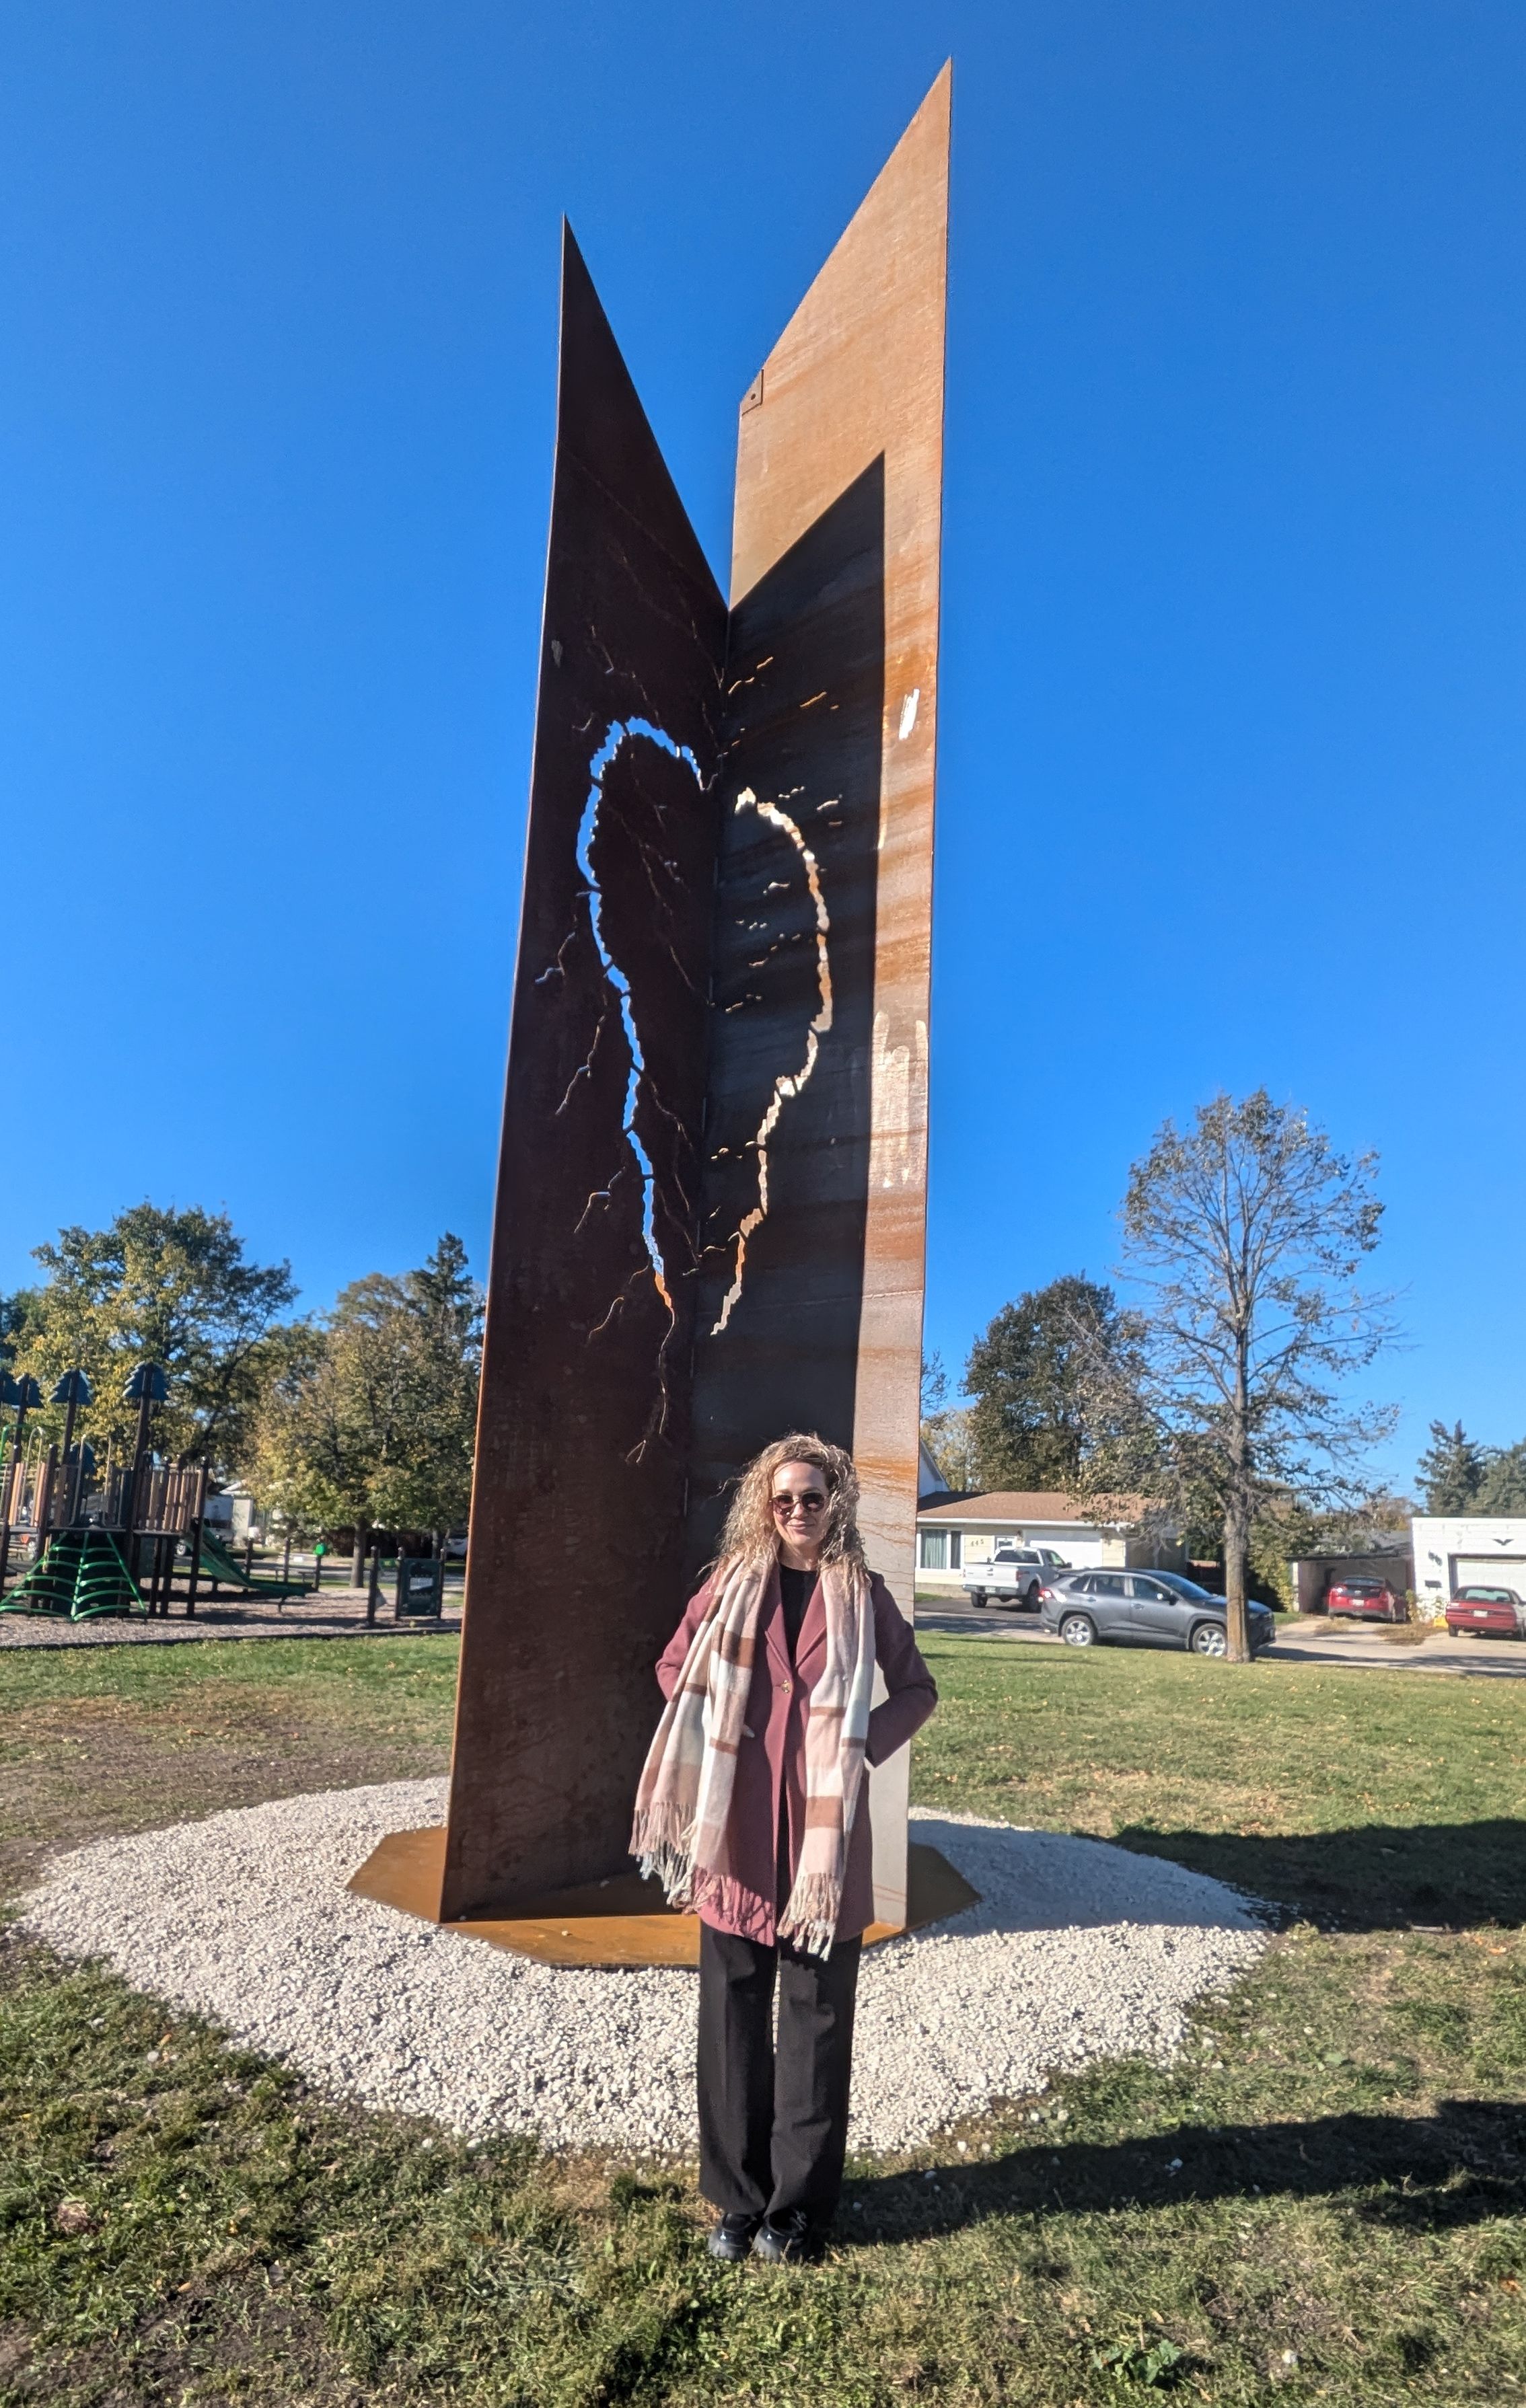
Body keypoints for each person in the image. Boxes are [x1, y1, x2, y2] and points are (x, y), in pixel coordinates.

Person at [631, 1432, 937, 2265]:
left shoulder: (863, 1595)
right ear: (763, 1507)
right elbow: (673, 1666)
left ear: (836, 1503)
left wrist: (859, 1747)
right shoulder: (731, 1584)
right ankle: (737, 2199)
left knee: (817, 2024)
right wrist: (718, 1726)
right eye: (783, 1498)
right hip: (733, 1832)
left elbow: (918, 1689)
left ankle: (797, 2208)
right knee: (731, 2019)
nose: (798, 1510)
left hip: (821, 1849)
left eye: (812, 1496)